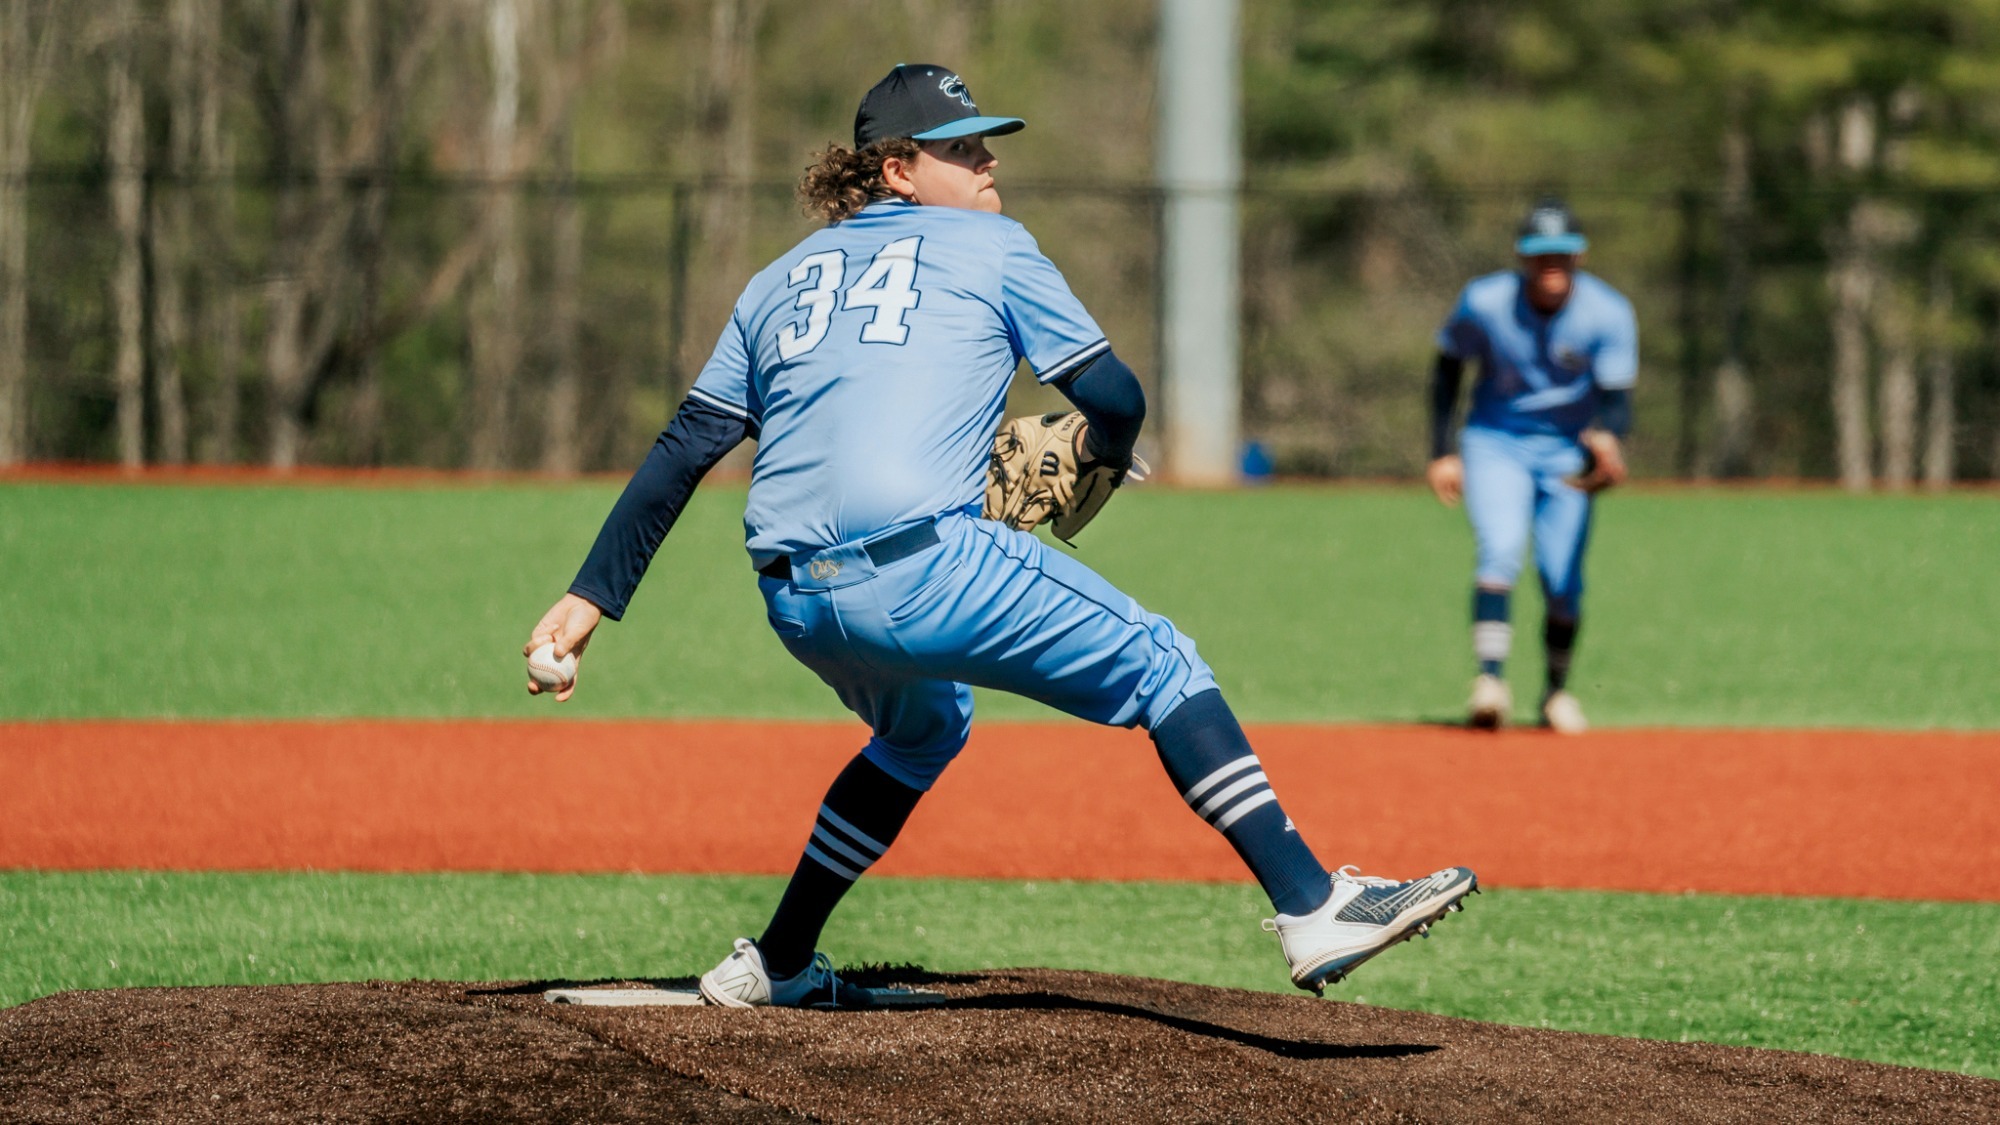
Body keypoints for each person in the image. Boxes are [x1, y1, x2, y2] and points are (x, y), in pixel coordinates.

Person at [525, 64, 1476, 1008]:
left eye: (985, 142)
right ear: (897, 169)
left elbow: (684, 447)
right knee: (1163, 662)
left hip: (796, 598)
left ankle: (776, 962)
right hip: (928, 566)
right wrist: (1105, 446)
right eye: (961, 145)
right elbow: (1114, 393)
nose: (987, 161)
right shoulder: (995, 248)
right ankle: (1313, 905)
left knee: (923, 728)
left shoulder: (773, 282)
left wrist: (590, 597)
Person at [1427, 197, 1637, 733]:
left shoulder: (1607, 312)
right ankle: (1490, 681)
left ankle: (1556, 694)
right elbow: (1448, 369)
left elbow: (1616, 396)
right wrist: (1442, 451)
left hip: (1567, 451)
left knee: (1562, 580)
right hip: (1497, 440)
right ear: (1522, 259)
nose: (1551, 268)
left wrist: (1609, 440)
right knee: (1499, 549)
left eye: (1561, 256)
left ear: (1579, 257)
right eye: (1540, 257)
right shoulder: (1486, 302)